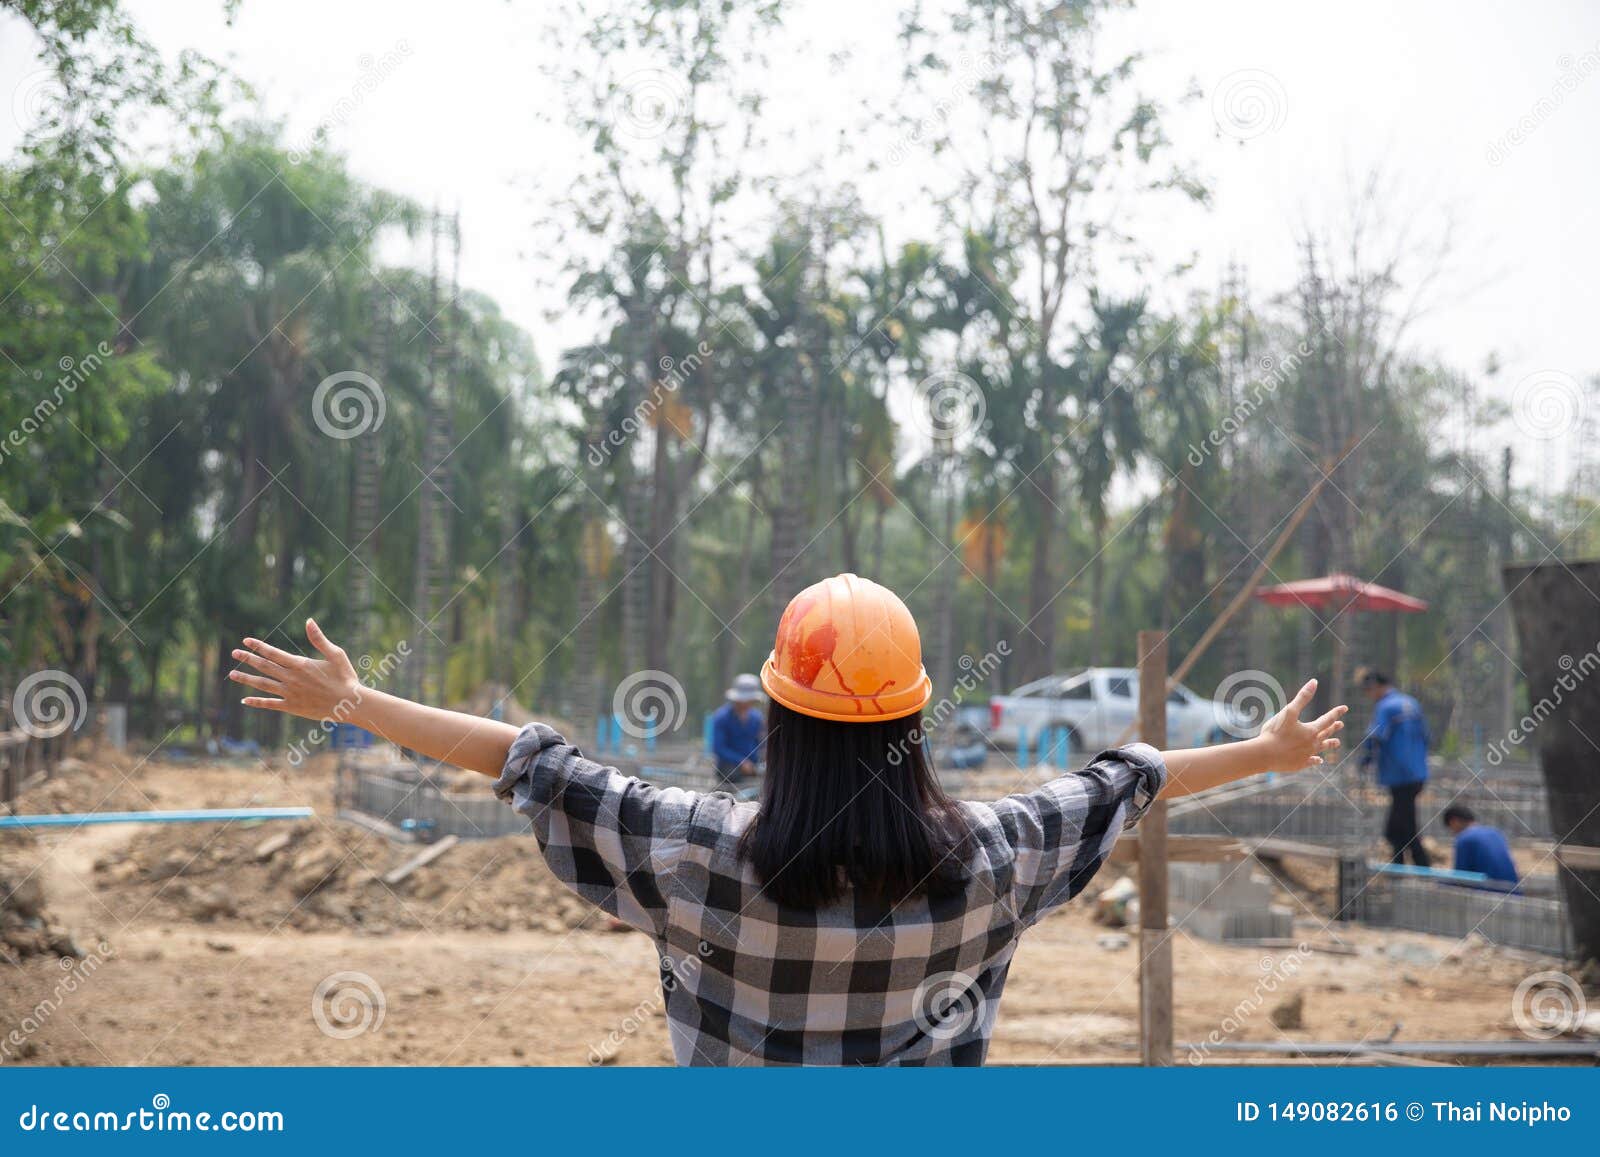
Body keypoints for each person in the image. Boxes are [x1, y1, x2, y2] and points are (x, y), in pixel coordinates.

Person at [230, 572, 1344, 1066]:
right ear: (915, 714)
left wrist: (354, 700)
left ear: (774, 713)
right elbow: (1130, 775)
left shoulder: (689, 853)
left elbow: (526, 758)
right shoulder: (997, 860)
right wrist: (1267, 750)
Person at [1356, 667, 1433, 867]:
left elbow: (1375, 737)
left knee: (1404, 827)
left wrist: (1364, 761)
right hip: (1417, 773)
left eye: (1369, 690)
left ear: (1377, 687)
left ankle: (1422, 867)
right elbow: (1427, 736)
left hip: (1399, 775)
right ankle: (1398, 866)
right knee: (1399, 825)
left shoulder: (1385, 707)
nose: (1369, 695)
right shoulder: (1411, 703)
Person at [1442, 804, 1520, 890]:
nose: (1453, 832)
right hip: (1512, 890)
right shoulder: (1495, 832)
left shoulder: (1464, 839)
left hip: (1489, 893)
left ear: (1454, 821)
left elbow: (1460, 877)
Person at [709, 673, 765, 786]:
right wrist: (741, 762)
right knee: (731, 773)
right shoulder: (721, 717)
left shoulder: (757, 718)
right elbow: (718, 748)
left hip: (753, 766)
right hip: (729, 768)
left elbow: (762, 743)